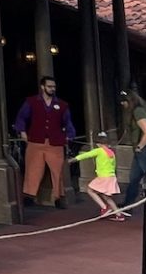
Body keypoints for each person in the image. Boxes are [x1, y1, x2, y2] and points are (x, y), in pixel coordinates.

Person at [14, 75, 76, 207]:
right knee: (33, 169)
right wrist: (22, 131)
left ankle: (58, 198)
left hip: (55, 142)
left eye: (54, 87)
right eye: (49, 86)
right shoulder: (31, 101)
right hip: (36, 141)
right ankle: (29, 196)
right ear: (42, 87)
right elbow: (21, 117)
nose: (52, 89)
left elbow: (68, 122)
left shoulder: (62, 105)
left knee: (57, 171)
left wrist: (69, 136)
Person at [118, 89, 146, 209]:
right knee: (134, 178)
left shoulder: (138, 111)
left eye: (124, 101)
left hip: (144, 149)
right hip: (140, 150)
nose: (122, 104)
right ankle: (128, 204)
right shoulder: (139, 111)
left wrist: (140, 146)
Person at [72, 132, 125, 219]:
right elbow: (114, 165)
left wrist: (74, 159)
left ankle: (104, 208)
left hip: (103, 177)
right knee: (106, 196)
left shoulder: (99, 150)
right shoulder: (111, 153)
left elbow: (87, 155)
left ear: (99, 144)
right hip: (111, 176)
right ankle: (119, 215)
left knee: (90, 190)